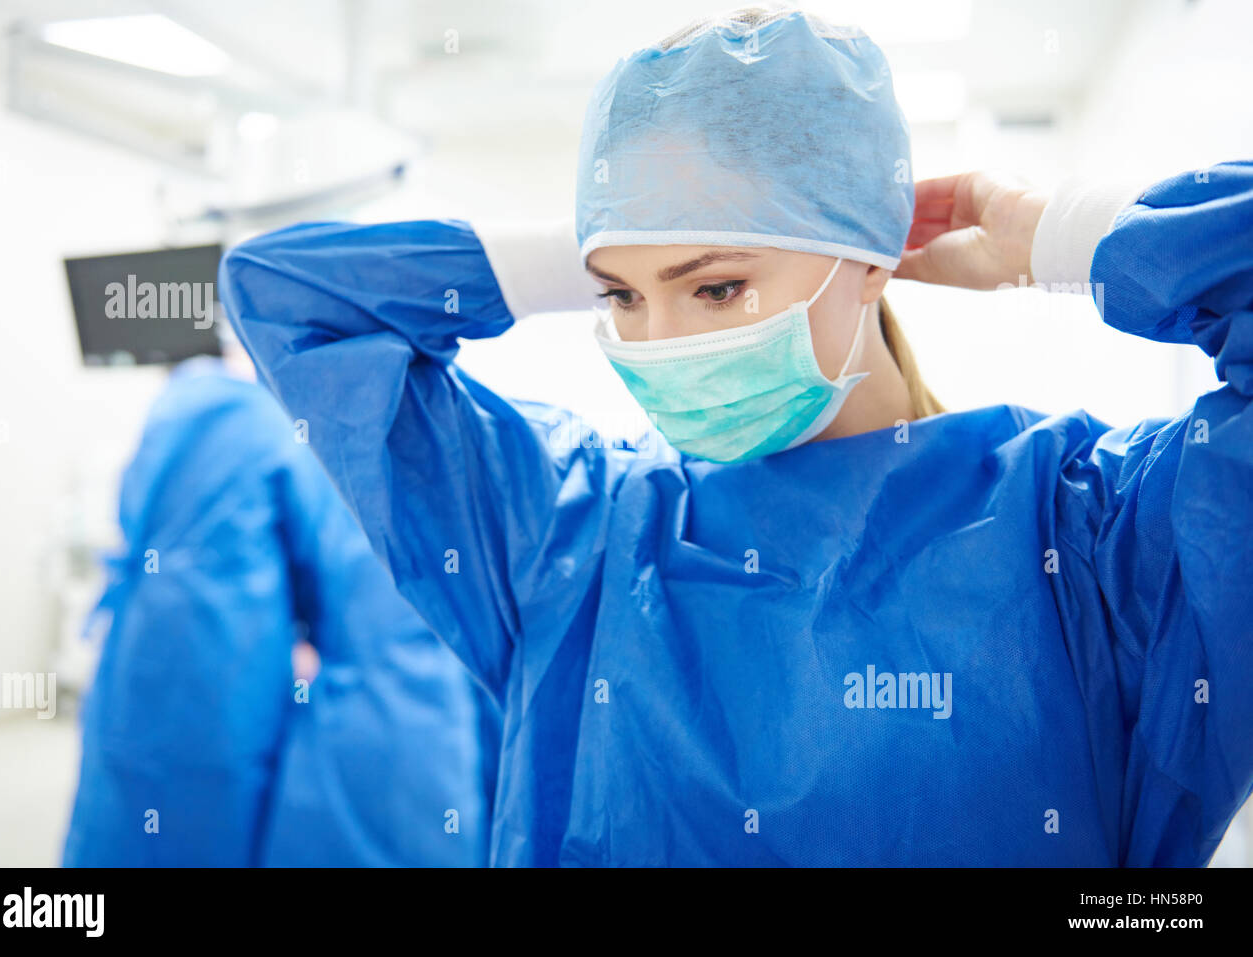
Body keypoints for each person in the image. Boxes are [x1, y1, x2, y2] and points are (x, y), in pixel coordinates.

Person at [218, 5, 1253, 866]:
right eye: (620, 297)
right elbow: (288, 299)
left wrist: (1061, 236)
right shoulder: (566, 537)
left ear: (870, 255)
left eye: (716, 286)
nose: (660, 343)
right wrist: (594, 245)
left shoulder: (1096, 542)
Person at [63, 326, 497, 867]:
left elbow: (197, 685)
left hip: (342, 780)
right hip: (430, 768)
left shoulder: (217, 419)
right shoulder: (445, 410)